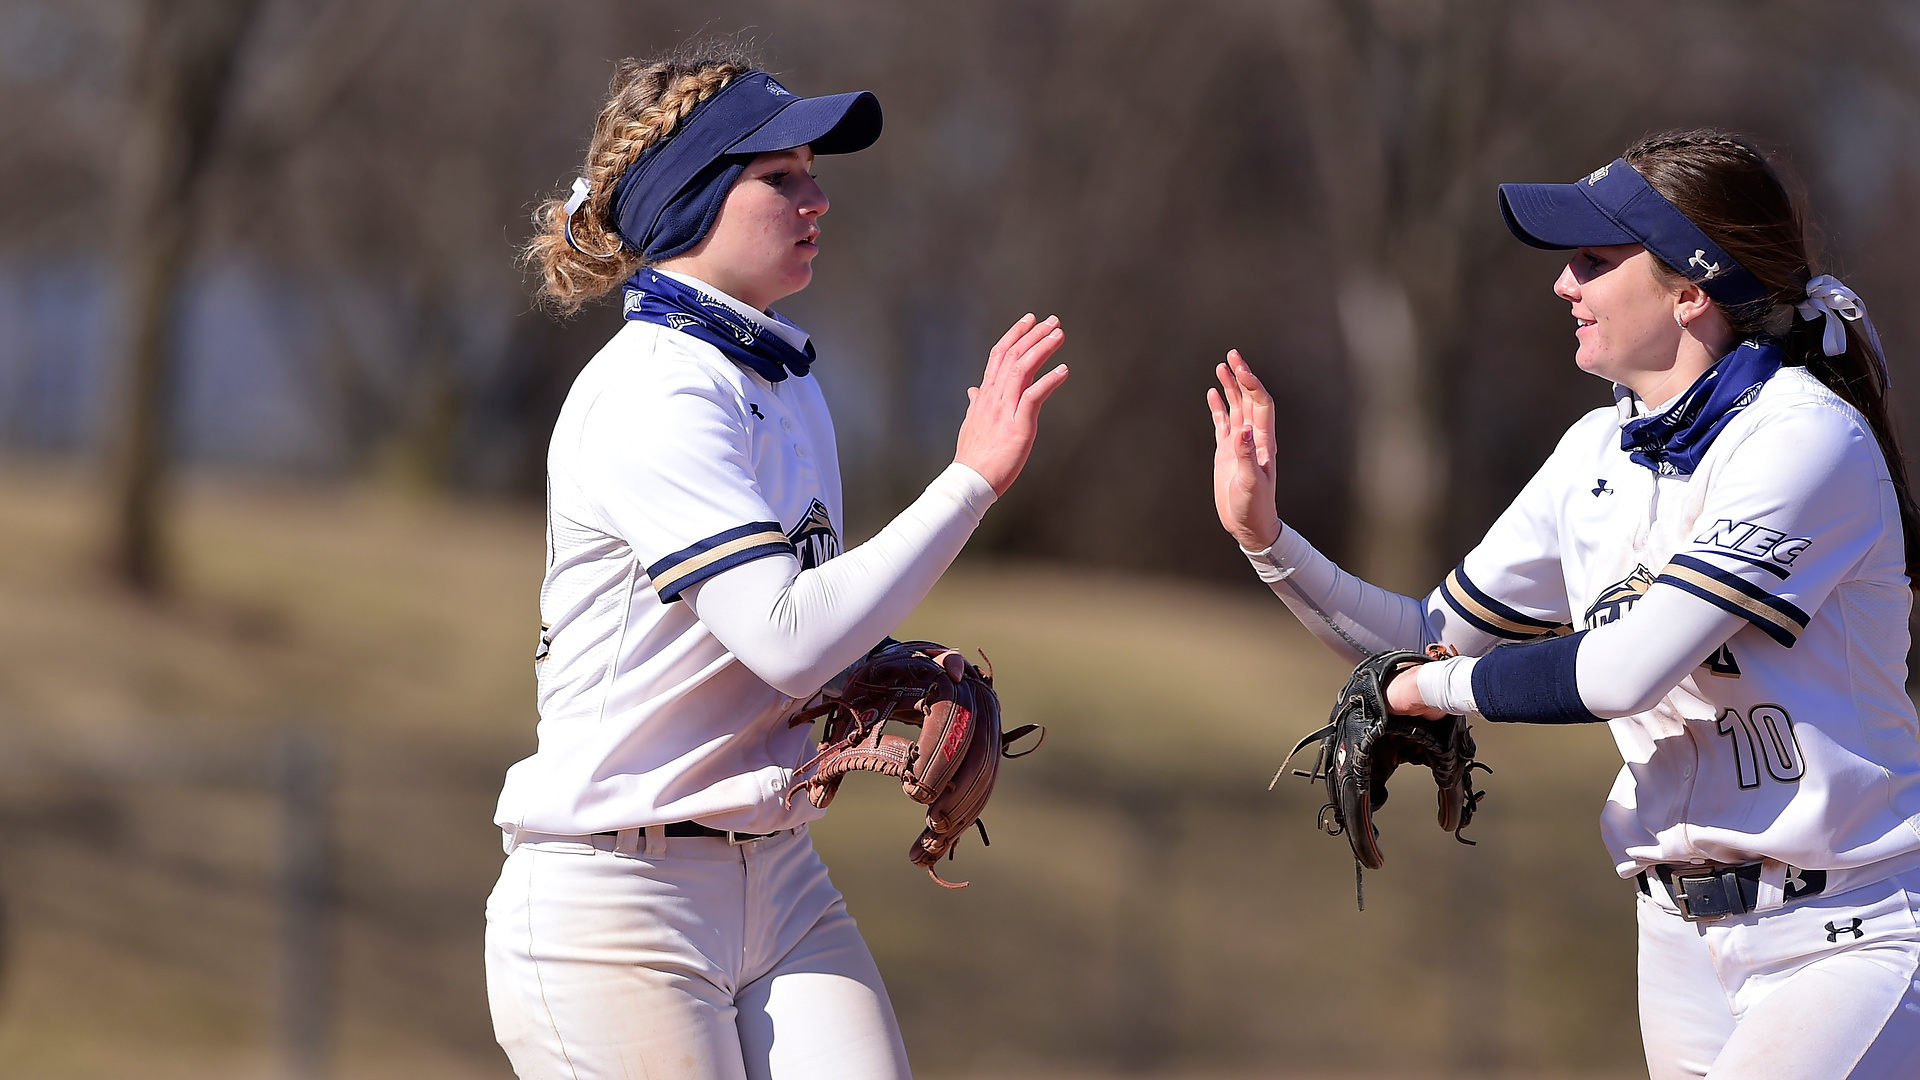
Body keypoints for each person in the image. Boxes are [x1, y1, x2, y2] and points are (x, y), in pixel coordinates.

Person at [1209, 129, 1920, 1078]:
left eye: (1594, 259)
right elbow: (1426, 636)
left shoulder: (1802, 439)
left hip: (1847, 931)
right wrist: (1267, 538)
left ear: (1690, 288)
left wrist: (1429, 694)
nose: (1563, 284)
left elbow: (1622, 670)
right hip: (1677, 941)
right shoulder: (1598, 452)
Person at [486, 51, 1068, 1080]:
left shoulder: (781, 380)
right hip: (616, 900)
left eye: (813, 171)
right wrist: (968, 482)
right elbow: (787, 636)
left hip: (780, 874)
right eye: (782, 175)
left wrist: (880, 667)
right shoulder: (653, 392)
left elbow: (802, 638)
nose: (818, 197)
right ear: (695, 197)